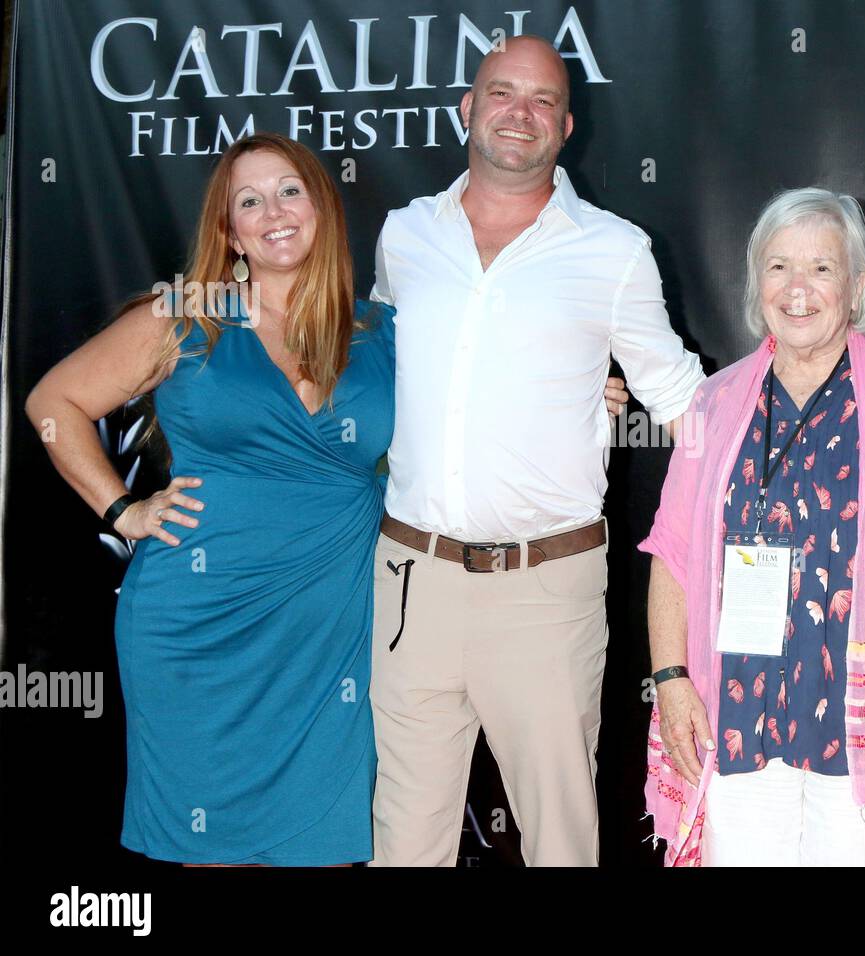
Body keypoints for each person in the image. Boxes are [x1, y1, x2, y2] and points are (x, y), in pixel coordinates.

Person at [367, 35, 704, 867]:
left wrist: (804, 430)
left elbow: (686, 403)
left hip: (545, 591)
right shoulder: (403, 236)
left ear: (566, 126)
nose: (520, 113)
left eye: (542, 100)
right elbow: (376, 368)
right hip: (411, 583)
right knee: (403, 843)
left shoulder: (615, 251)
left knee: (559, 841)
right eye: (502, 93)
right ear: (466, 110)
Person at [26, 132, 396, 865]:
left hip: (331, 645)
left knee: (323, 846)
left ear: (321, 205)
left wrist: (586, 398)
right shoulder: (183, 320)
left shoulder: (384, 332)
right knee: (213, 847)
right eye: (249, 201)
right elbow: (54, 401)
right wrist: (122, 510)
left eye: (291, 190)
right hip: (198, 630)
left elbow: (486, 402)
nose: (274, 212)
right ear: (229, 231)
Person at [641, 187, 865, 867]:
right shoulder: (715, 405)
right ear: (756, 283)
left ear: (857, 287)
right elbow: (673, 553)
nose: (797, 288)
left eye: (822, 269)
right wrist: (671, 678)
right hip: (734, 717)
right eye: (778, 267)